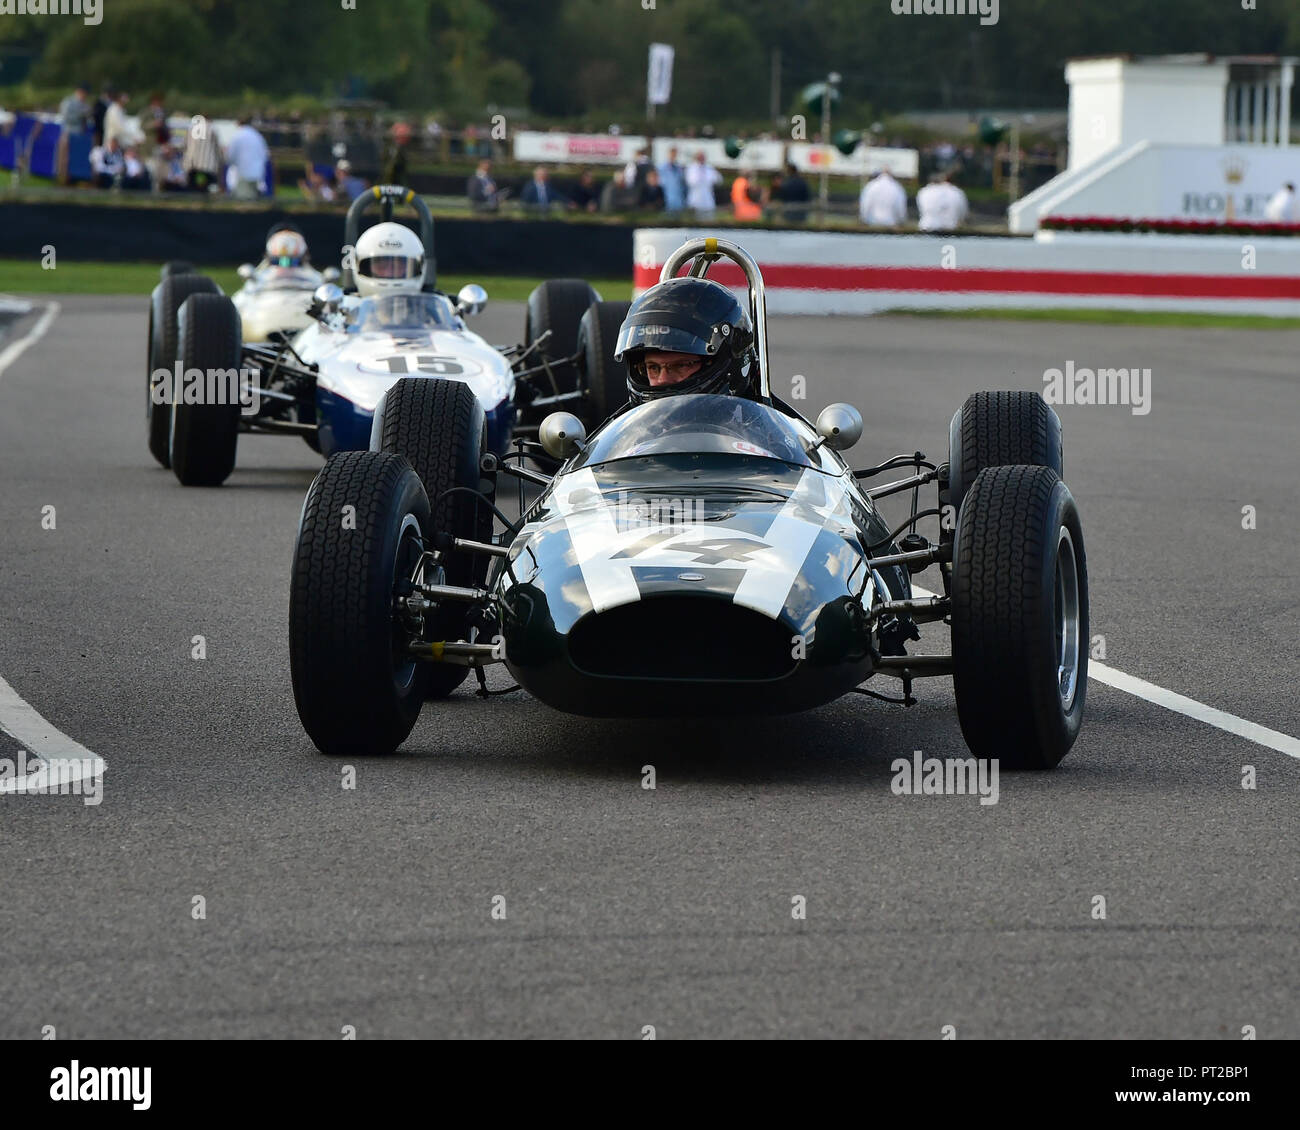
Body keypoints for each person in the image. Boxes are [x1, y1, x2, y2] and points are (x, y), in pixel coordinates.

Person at [613, 276, 759, 405]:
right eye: (653, 368)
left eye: (681, 366)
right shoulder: (629, 433)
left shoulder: (759, 433)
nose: (662, 380)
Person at [352, 221, 426, 297]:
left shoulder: (432, 306)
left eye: (399, 267)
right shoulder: (347, 307)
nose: (389, 273)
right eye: (381, 267)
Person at [226, 115, 269, 200]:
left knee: (244, 202)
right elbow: (265, 156)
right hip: (258, 174)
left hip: (243, 174)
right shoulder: (258, 136)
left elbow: (230, 157)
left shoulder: (237, 136)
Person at [183, 115, 222, 192]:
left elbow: (185, 146)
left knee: (193, 190)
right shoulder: (212, 129)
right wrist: (220, 163)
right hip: (207, 166)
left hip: (192, 165)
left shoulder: (191, 129)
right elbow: (217, 149)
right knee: (206, 190)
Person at [685, 151, 722, 219]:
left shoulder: (709, 168)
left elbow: (718, 180)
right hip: (696, 202)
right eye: (700, 157)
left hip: (708, 202)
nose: (701, 159)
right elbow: (691, 182)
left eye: (703, 157)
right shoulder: (692, 168)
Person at [657, 146, 686, 215]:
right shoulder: (661, 168)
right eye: (672, 154)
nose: (673, 156)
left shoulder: (679, 168)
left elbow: (682, 185)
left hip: (679, 202)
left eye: (675, 154)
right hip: (666, 201)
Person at [385, 120, 412, 185]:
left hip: (399, 163)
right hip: (394, 165)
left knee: (399, 176)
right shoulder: (391, 146)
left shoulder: (403, 128)